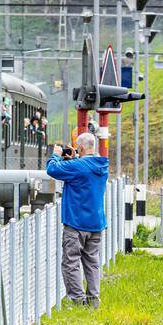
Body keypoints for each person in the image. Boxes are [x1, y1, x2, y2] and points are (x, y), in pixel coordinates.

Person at [47, 132, 109, 309]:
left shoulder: (78, 166)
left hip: (76, 223)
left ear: (80, 147)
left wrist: (56, 155)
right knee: (92, 263)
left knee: (71, 261)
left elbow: (52, 169)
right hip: (96, 223)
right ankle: (93, 300)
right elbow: (81, 171)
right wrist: (74, 159)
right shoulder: (101, 165)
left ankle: (78, 301)